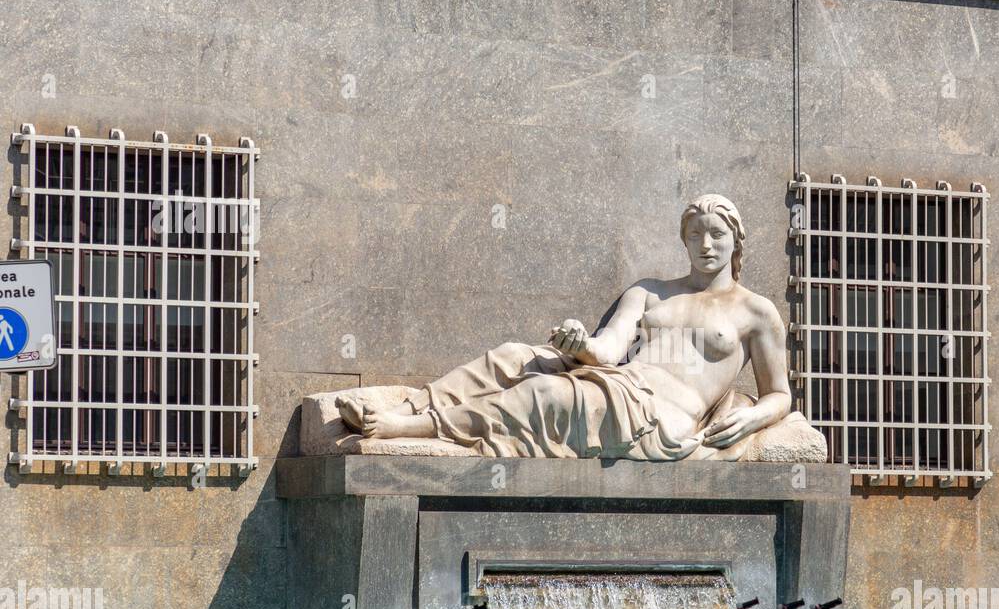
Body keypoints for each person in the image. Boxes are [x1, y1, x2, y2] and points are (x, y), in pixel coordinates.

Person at [336, 194, 792, 460]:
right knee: (516, 355)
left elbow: (780, 394)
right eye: (695, 234)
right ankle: (415, 404)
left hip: (661, 418)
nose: (706, 244)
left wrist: (752, 417)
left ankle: (406, 429)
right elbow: (609, 351)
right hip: (619, 381)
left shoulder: (756, 311)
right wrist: (580, 345)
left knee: (545, 393)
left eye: (717, 234)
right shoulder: (650, 290)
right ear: (683, 239)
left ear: (736, 240)